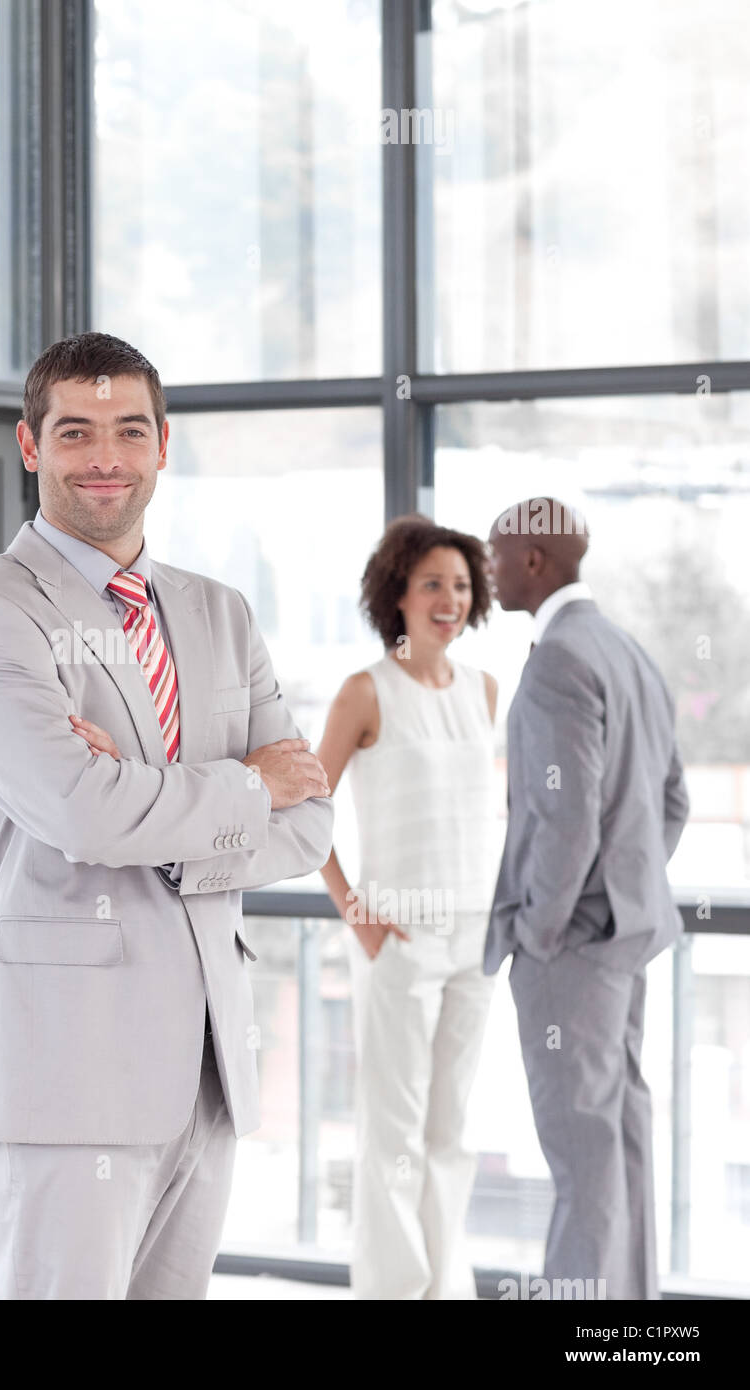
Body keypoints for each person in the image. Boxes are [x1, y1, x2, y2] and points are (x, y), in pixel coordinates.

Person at [0, 331, 334, 1300]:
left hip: (207, 1067)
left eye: (127, 430)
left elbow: (309, 821)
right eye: (74, 432)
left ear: (161, 444)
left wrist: (147, 806)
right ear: (31, 447)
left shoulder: (220, 611)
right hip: (71, 1073)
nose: (104, 456)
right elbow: (83, 812)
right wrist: (239, 784)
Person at [485, 496, 689, 1300]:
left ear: (535, 561)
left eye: (497, 554)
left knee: (579, 1154)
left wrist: (541, 926)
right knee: (615, 1140)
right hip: (624, 936)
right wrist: (627, 888)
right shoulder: (626, 649)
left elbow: (563, 816)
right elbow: (669, 798)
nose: (489, 569)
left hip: (571, 948)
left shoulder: (555, 659)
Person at [316, 515, 498, 1299]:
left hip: (475, 939)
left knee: (449, 1133)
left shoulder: (483, 690)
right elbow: (304, 812)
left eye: (459, 585)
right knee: (392, 1133)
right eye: (431, 583)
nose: (447, 599)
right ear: (396, 595)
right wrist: (352, 910)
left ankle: (444, 1287)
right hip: (398, 940)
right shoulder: (365, 690)